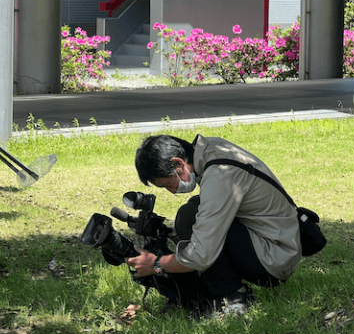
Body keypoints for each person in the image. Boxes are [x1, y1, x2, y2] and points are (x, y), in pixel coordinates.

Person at [125, 134, 302, 313]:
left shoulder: (219, 175)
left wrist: (156, 263)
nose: (171, 191)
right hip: (277, 239)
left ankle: (235, 297)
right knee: (191, 212)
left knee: (192, 220)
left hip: (277, 257)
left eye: (166, 184)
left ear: (178, 164)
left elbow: (201, 254)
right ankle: (216, 288)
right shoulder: (208, 149)